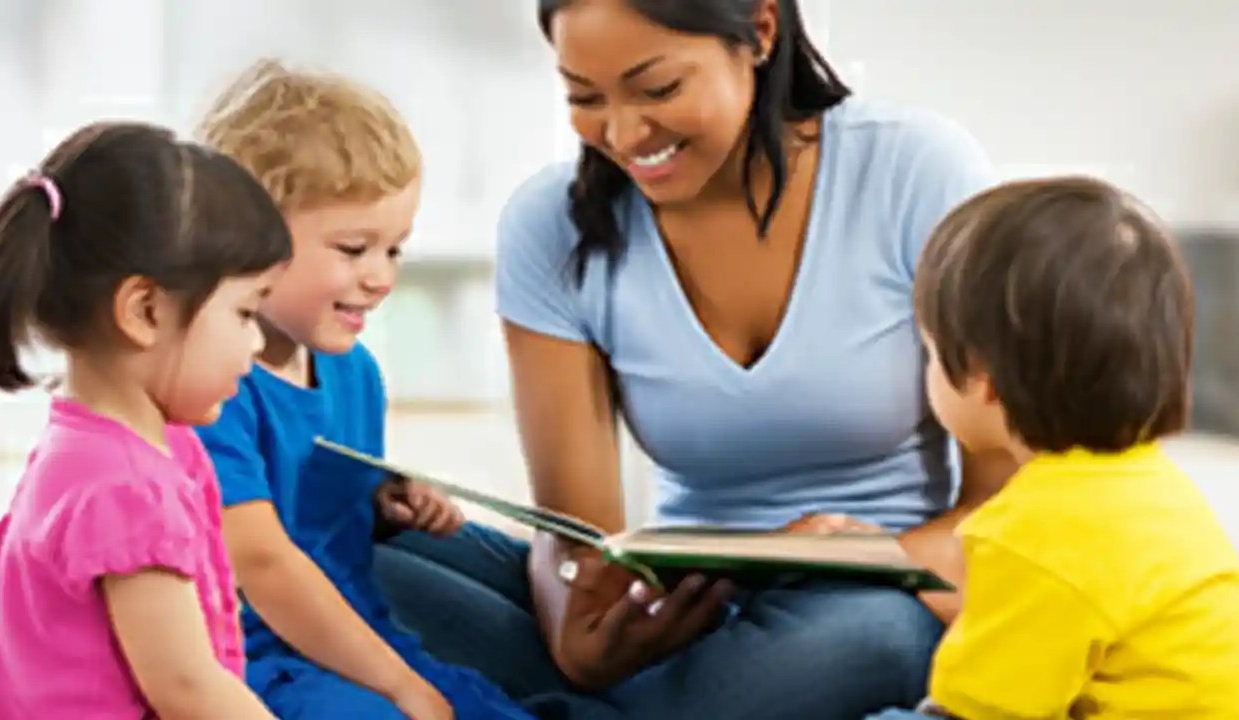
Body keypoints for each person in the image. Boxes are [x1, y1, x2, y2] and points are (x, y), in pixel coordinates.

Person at [373, 0, 1020, 718]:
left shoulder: (914, 171)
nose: (621, 134)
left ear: (761, 31)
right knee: (366, 561)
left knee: (874, 643)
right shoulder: (549, 225)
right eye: (584, 97)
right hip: (679, 601)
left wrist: (857, 554)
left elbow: (1008, 507)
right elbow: (574, 536)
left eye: (658, 89)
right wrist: (575, 632)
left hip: (872, 591)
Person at [193, 60, 540, 720]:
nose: (381, 277)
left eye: (395, 250)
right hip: (259, 663)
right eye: (354, 249)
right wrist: (400, 687)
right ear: (244, 240)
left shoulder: (356, 374)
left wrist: (383, 501)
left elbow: (317, 512)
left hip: (368, 640)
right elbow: (262, 565)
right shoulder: (211, 389)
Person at [871, 176, 1239, 717]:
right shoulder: (1159, 492)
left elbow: (976, 712)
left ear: (984, 380)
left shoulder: (1033, 528)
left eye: (931, 352)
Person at [0, 121, 290, 718]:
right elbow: (189, 689)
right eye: (246, 313)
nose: (256, 344)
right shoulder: (127, 487)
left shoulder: (100, 445)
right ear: (145, 310)